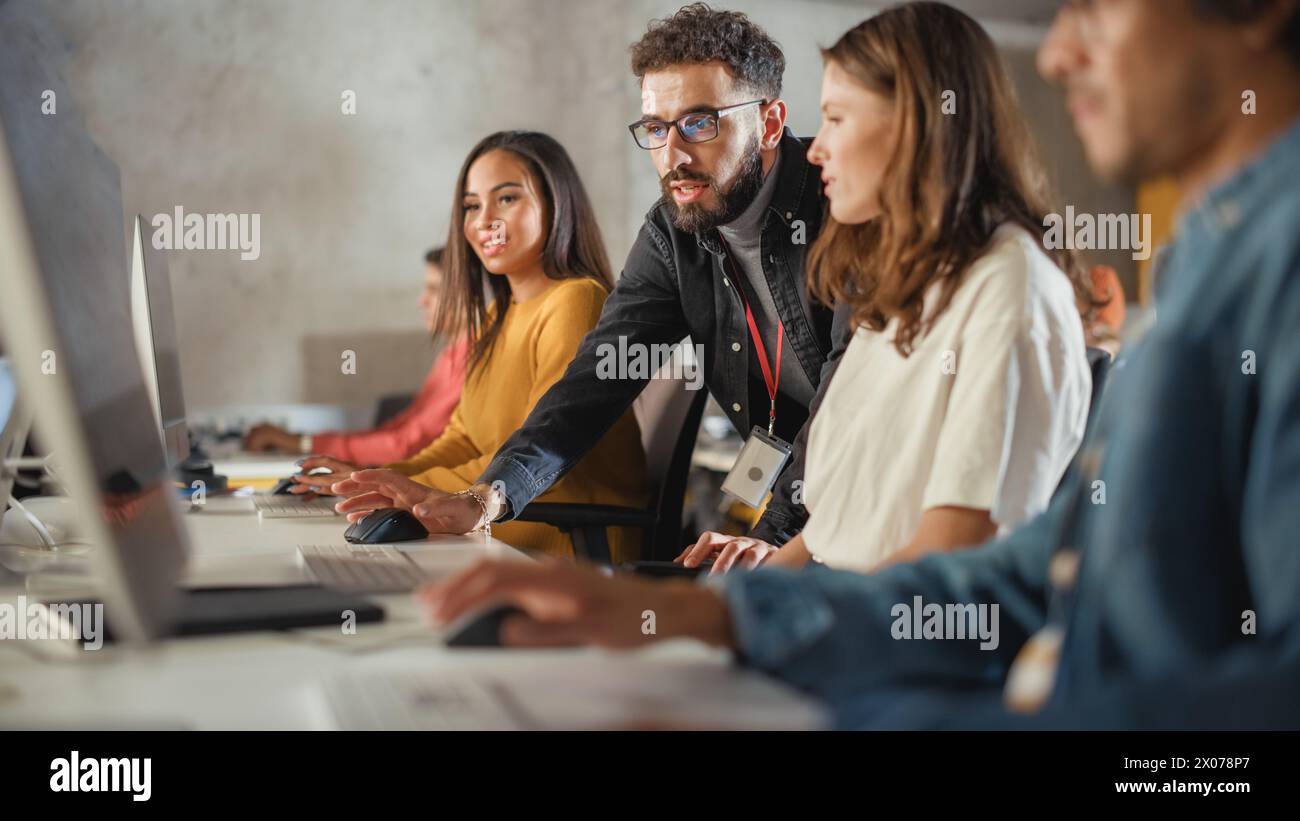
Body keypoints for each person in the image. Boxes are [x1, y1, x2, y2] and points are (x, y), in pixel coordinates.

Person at [420, 0, 1300, 730]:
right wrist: (723, 613)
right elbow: (1034, 571)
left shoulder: (924, 261)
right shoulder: (1204, 257)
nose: (1061, 51)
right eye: (654, 126)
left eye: (1096, 8)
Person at [328, 4, 848, 547]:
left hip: (882, 481)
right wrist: (490, 497)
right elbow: (590, 386)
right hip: (804, 496)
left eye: (699, 123)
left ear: (768, 123)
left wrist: (770, 537)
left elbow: (847, 403)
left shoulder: (843, 205)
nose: (673, 154)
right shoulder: (673, 233)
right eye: (654, 127)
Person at [676, 1, 1094, 575]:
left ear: (916, 124)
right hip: (838, 611)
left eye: (838, 118)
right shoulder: (894, 287)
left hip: (896, 639)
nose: (816, 148)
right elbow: (832, 528)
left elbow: (950, 560)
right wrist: (737, 598)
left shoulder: (1009, 289)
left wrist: (747, 622)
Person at [321, 131, 649, 560]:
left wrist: (421, 491)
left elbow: (550, 457)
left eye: (506, 199)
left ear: (556, 203)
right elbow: (462, 438)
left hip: (563, 543)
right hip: (496, 530)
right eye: (472, 206)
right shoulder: (499, 316)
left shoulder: (575, 300)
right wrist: (378, 478)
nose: (484, 221)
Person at [242, 247, 470, 465]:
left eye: (435, 290)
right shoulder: (450, 354)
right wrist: (303, 440)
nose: (422, 301)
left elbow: (405, 446)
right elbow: (398, 430)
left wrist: (302, 443)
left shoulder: (472, 358)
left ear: (471, 294)